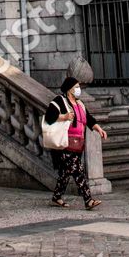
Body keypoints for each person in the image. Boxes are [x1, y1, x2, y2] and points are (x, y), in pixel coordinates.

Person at [43, 74, 108, 210]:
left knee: (66, 172)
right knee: (78, 170)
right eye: (76, 87)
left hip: (78, 144)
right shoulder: (60, 101)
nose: (79, 89)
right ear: (69, 89)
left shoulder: (80, 104)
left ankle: (56, 197)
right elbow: (49, 117)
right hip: (65, 144)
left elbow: (88, 119)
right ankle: (88, 200)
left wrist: (99, 129)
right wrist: (65, 116)